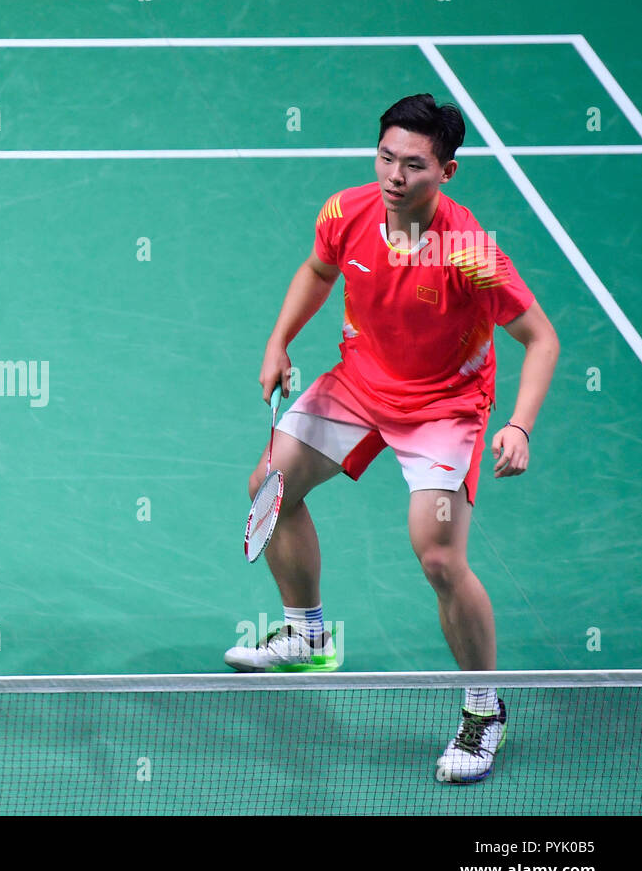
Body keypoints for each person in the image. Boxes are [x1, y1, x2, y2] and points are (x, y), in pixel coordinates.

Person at [224, 94, 560, 783]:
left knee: (438, 556)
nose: (394, 176)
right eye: (385, 157)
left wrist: (519, 425)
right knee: (271, 483)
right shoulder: (344, 212)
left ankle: (483, 709)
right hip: (360, 382)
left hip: (444, 405)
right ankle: (306, 633)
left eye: (414, 165)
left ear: (448, 172)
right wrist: (278, 341)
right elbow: (318, 272)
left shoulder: (469, 254)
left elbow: (541, 339)